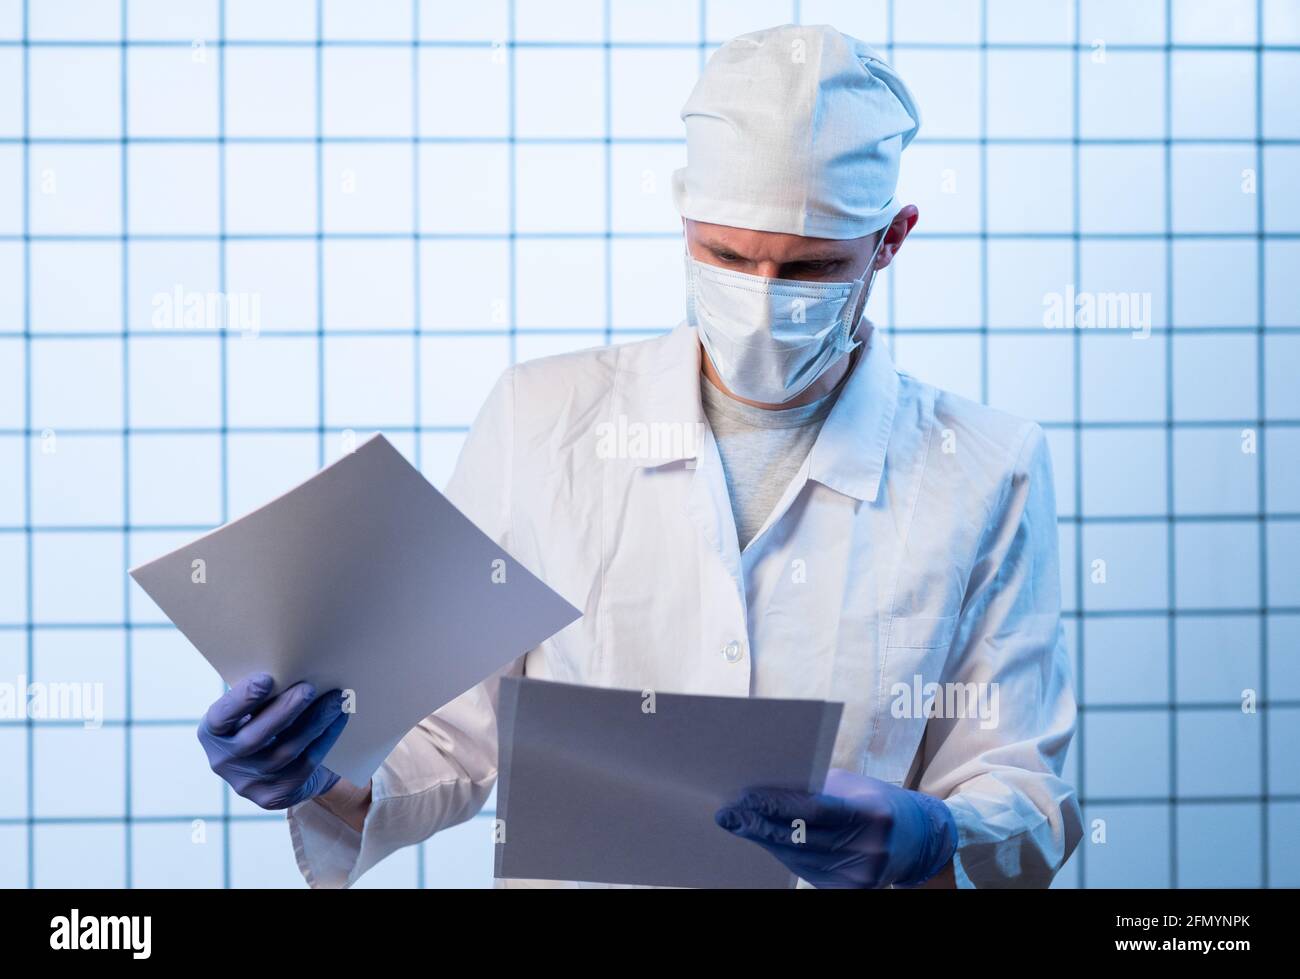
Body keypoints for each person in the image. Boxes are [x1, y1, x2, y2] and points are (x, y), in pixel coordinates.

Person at [197, 24, 1082, 889]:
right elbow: (451, 739)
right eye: (727, 256)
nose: (764, 302)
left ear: (892, 239)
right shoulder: (541, 418)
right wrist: (320, 772)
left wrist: (935, 836)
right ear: (684, 213)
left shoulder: (987, 468)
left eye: (811, 270)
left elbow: (1024, 796)